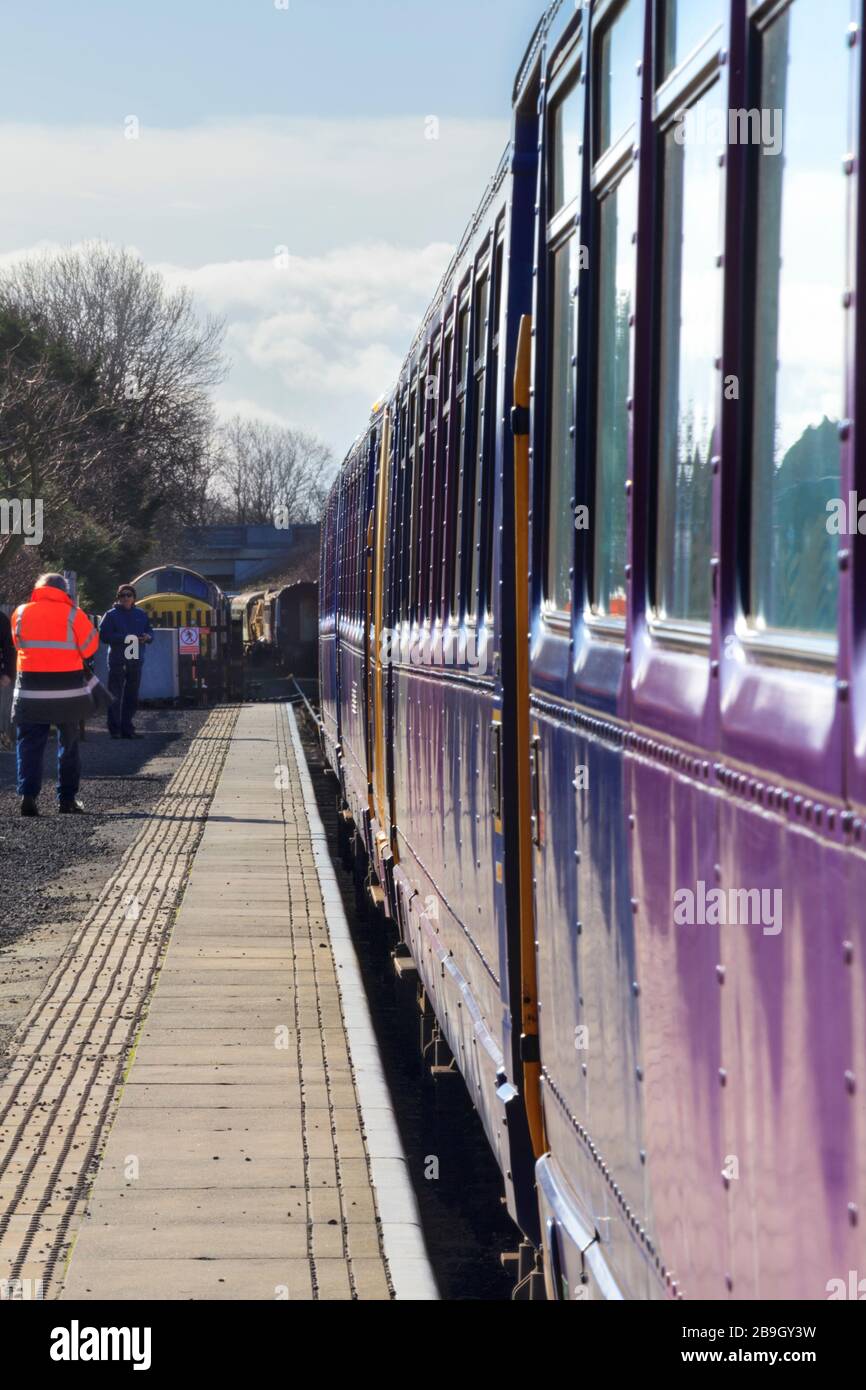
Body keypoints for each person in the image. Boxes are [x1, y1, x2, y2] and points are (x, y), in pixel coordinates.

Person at [11, 572, 99, 816]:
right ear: (64, 591)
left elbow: (17, 643)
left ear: (39, 589)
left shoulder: (21, 612)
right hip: (66, 689)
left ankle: (28, 796)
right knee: (68, 743)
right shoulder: (74, 614)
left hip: (30, 687)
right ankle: (66, 799)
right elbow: (90, 646)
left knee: (29, 743)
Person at [99, 584, 153, 739]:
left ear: (134, 597)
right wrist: (127, 638)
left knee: (131, 695)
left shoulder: (141, 614)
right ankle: (114, 729)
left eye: (129, 595)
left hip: (135, 659)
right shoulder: (110, 615)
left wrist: (148, 637)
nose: (126, 598)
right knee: (115, 694)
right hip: (117, 660)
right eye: (122, 595)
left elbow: (150, 630)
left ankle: (127, 728)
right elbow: (104, 636)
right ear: (118, 597)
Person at [0, 606, 15, 752]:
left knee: (3, 713)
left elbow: (9, 648)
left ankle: (4, 745)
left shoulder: (2, 620)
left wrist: (7, 673)